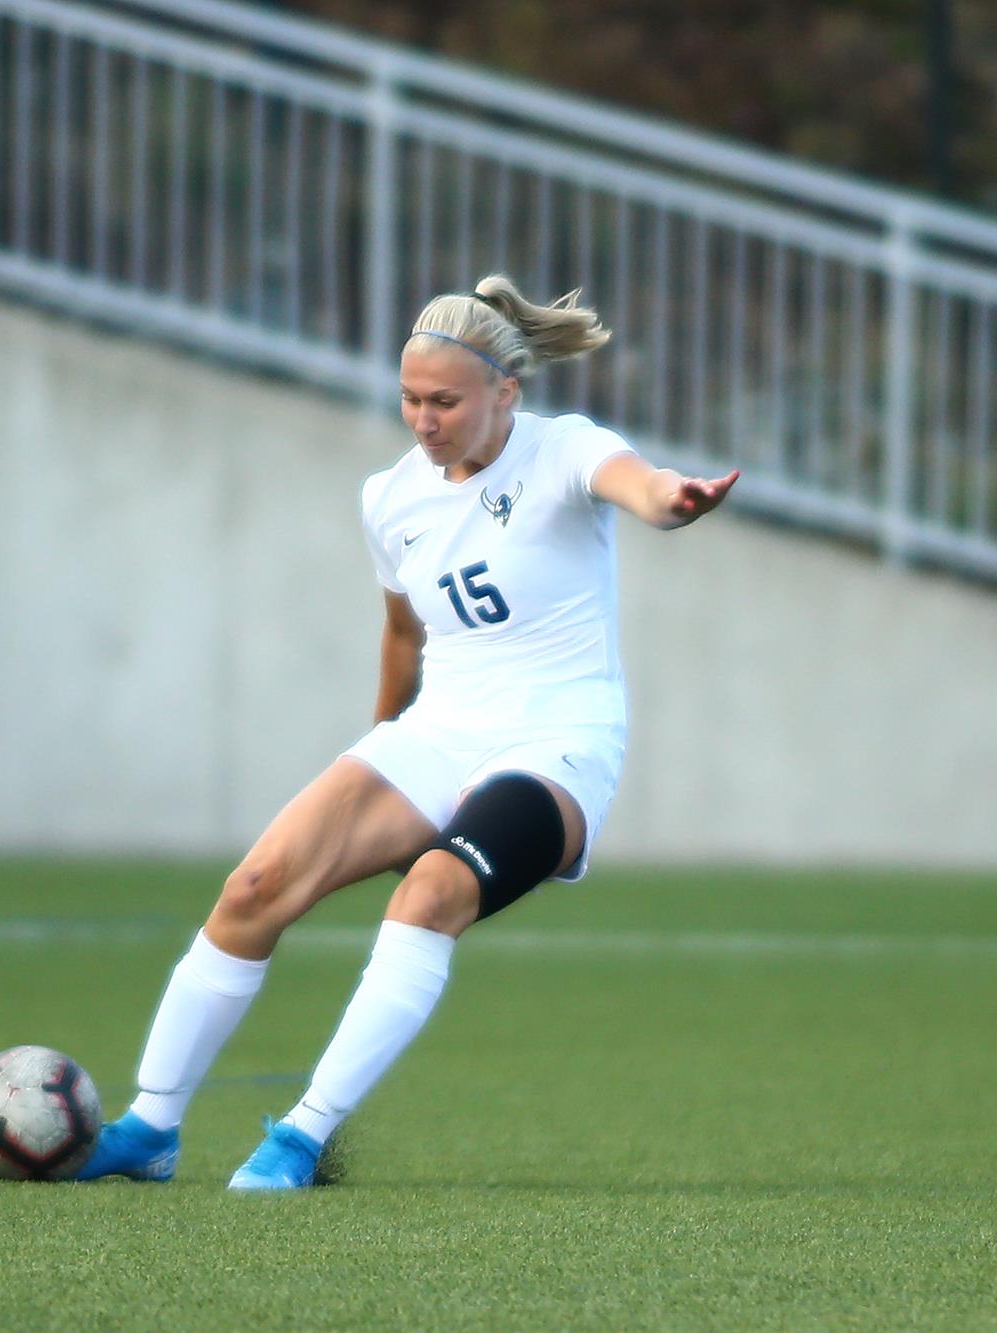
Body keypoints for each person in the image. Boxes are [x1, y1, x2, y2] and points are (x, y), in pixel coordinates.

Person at [75, 274, 739, 1191]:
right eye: (410, 399)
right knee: (257, 884)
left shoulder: (563, 451)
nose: (424, 419)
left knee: (429, 895)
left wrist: (676, 498)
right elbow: (403, 634)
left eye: (446, 401)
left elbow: (643, 487)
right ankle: (151, 1126)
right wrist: (380, 759)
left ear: (507, 391)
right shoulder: (390, 498)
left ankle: (300, 1138)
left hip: (557, 742)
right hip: (438, 729)